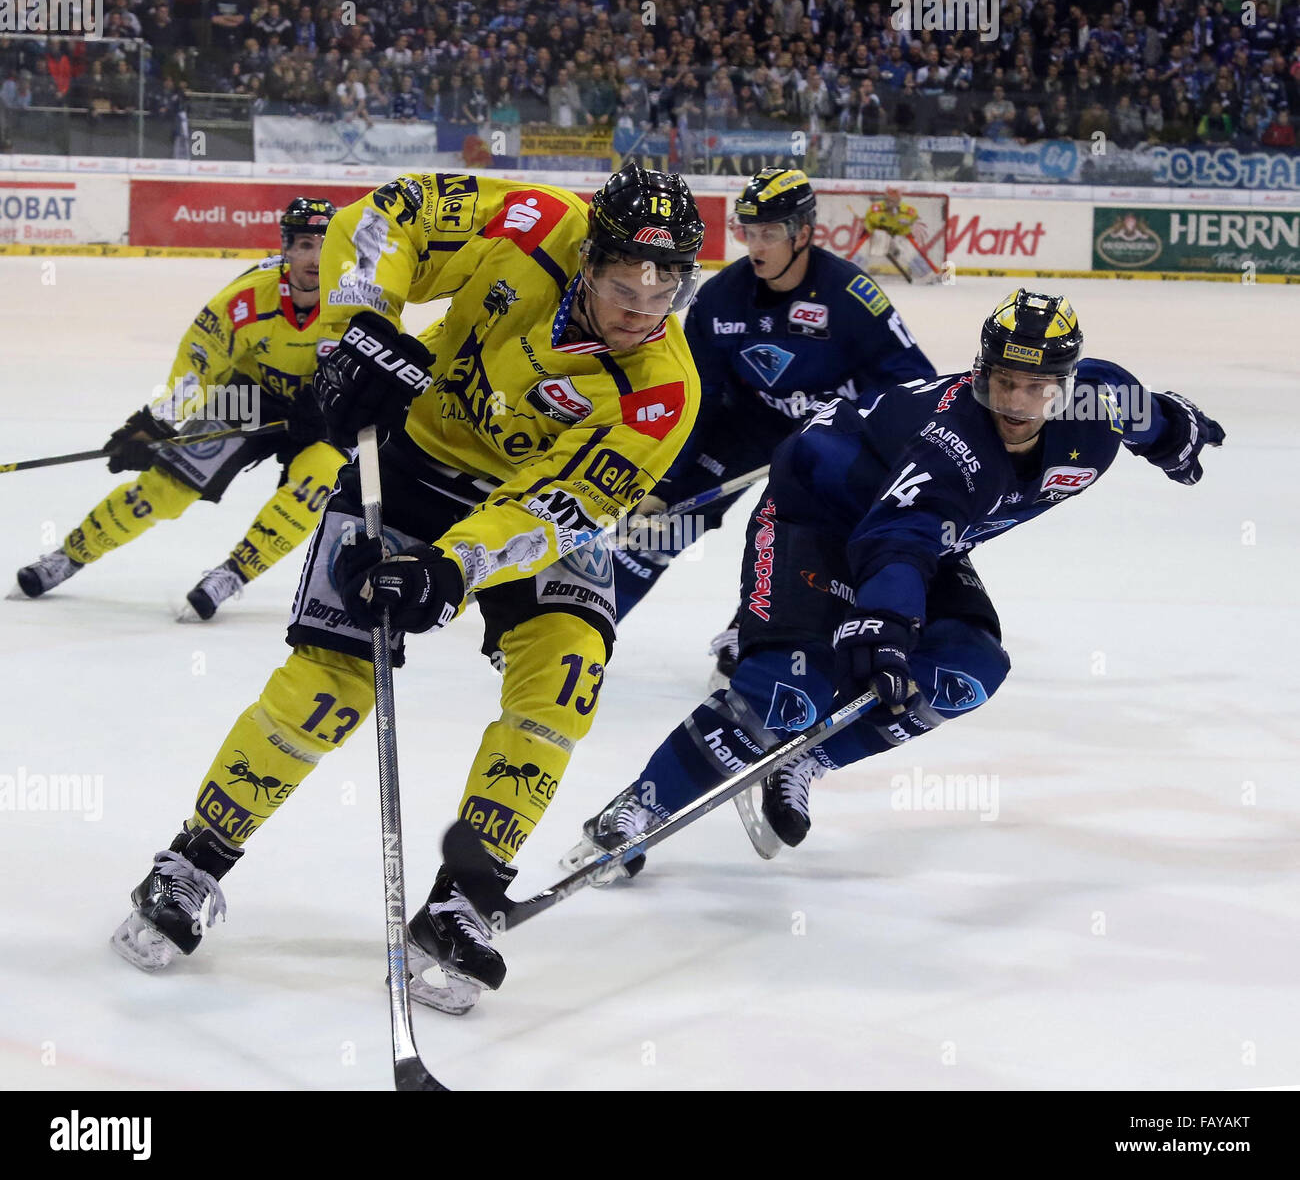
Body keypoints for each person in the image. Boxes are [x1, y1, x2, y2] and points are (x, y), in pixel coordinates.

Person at [109, 165, 706, 1016]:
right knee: (333, 682)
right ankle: (194, 860)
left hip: (523, 516)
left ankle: (464, 895)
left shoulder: (664, 390)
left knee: (568, 672)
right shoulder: (536, 220)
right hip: (413, 459)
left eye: (665, 291)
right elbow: (393, 214)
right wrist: (361, 328)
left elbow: (559, 506)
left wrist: (451, 568)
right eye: (621, 286)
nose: (640, 311)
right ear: (589, 257)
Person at [567, 290, 1224, 877]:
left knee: (970, 668)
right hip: (816, 512)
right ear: (980, 373)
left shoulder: (1100, 403)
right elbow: (898, 544)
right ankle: (639, 807)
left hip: (916, 537)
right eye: (1003, 383)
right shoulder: (956, 443)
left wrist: (1171, 435)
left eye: (1037, 387)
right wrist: (882, 628)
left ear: (1067, 385)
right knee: (788, 691)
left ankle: (809, 760)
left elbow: (1141, 411)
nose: (1018, 404)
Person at [609, 167, 935, 682]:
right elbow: (696, 398)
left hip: (830, 435)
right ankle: (581, 622)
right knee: (662, 523)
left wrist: (845, 430)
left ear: (803, 234)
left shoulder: (851, 296)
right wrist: (664, 481)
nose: (755, 245)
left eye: (769, 233)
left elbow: (915, 384)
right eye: (748, 231)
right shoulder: (720, 298)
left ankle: (752, 635)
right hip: (747, 425)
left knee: (797, 539)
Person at [13, 199, 345, 622]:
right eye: (303, 244)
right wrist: (156, 425)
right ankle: (69, 556)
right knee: (167, 488)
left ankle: (232, 574)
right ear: (285, 248)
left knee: (317, 484)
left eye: (325, 244)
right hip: (249, 395)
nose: (315, 258)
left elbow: (380, 368)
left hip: (325, 411)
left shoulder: (358, 300)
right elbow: (198, 366)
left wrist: (334, 403)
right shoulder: (244, 300)